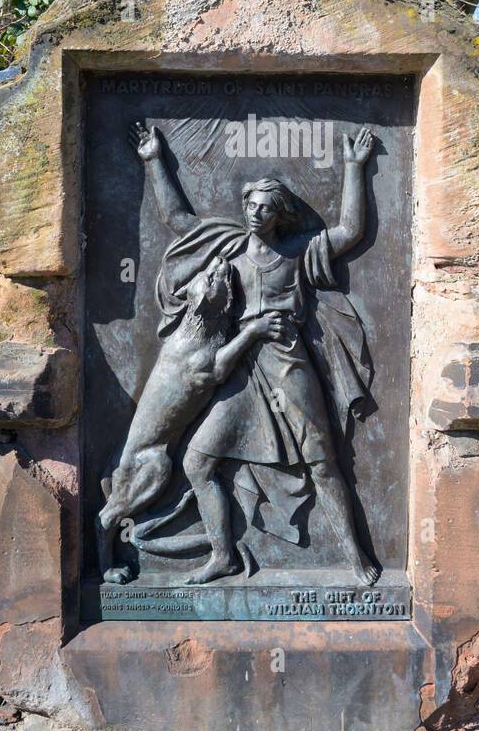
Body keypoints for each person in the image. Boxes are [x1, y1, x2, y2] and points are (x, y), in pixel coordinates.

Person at [133, 121, 379, 586]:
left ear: (278, 216)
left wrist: (354, 167)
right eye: (251, 204)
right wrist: (153, 161)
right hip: (239, 371)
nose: (255, 213)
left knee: (323, 461)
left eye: (266, 208)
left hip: (288, 365)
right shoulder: (227, 252)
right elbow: (180, 223)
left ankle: (355, 555)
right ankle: (223, 555)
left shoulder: (296, 253)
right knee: (197, 463)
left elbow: (348, 231)